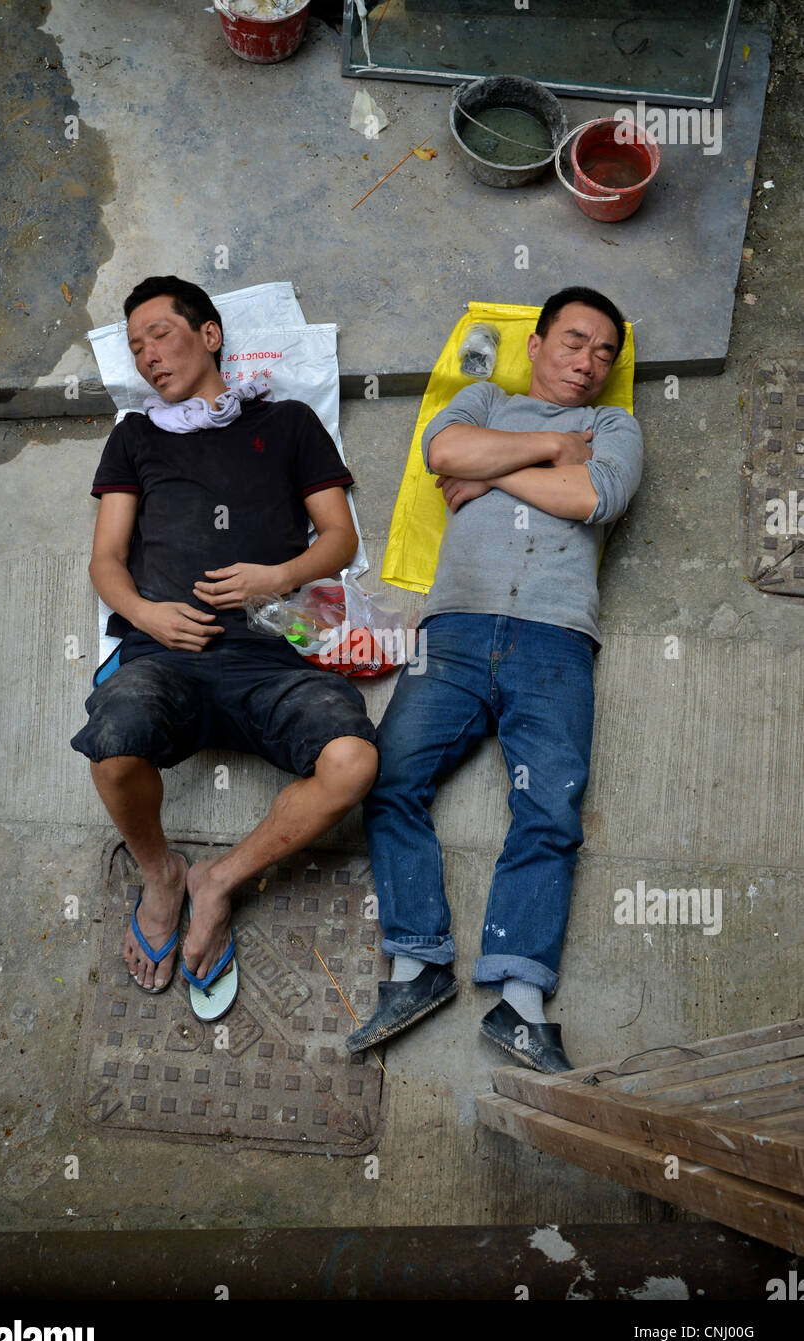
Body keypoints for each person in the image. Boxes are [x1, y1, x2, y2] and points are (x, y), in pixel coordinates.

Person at [347, 287, 643, 1072]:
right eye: (574, 342)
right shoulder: (483, 398)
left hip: (555, 638)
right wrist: (546, 452)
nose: (587, 364)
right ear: (538, 344)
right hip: (456, 627)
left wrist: (496, 473)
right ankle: (417, 963)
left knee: (549, 807)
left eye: (604, 353)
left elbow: (596, 496)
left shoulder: (615, 427)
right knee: (385, 777)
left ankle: (518, 1002)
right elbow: (444, 455)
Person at [71, 276, 378, 1022]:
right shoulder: (135, 436)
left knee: (354, 763)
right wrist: (147, 615)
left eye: (160, 334)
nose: (147, 354)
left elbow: (339, 540)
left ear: (209, 336)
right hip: (164, 659)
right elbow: (106, 559)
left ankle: (216, 879)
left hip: (270, 661)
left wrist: (278, 575)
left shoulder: (290, 423)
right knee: (111, 747)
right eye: (135, 345)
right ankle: (161, 873)